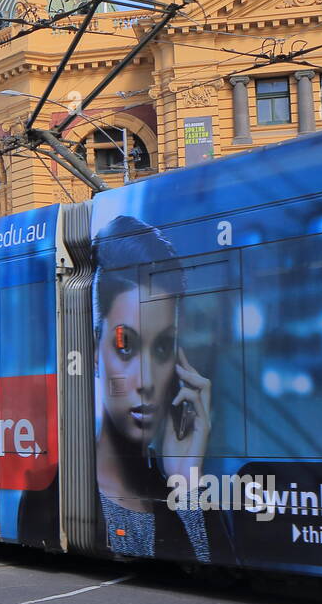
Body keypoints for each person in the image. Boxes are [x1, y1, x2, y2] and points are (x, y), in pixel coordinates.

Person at [92, 215, 229, 563]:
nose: (148, 380)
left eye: (163, 347)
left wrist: (184, 480)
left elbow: (213, 573)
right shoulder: (51, 498)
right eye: (126, 345)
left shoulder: (172, 489)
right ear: (95, 352)